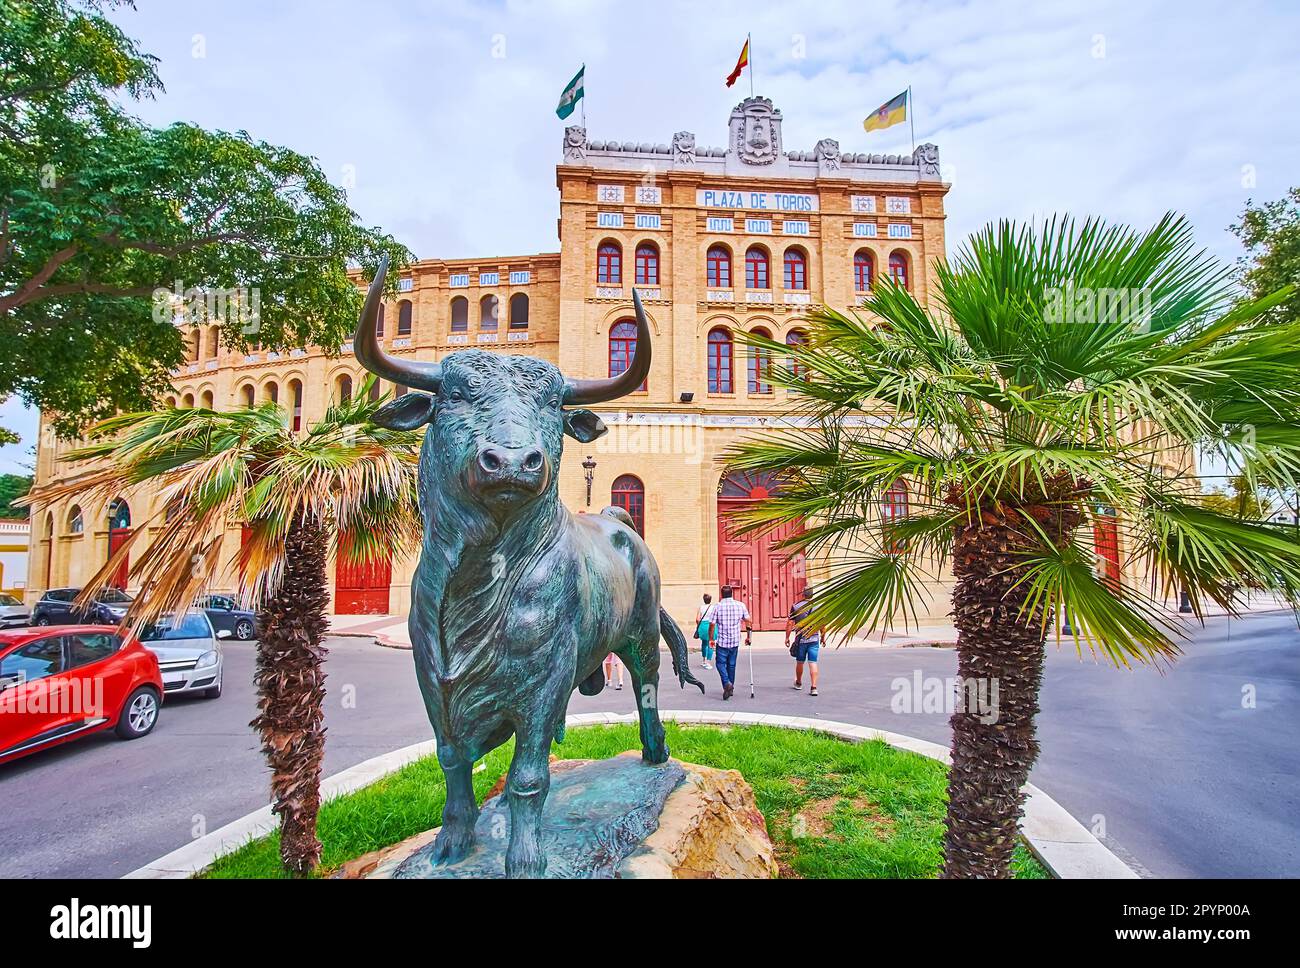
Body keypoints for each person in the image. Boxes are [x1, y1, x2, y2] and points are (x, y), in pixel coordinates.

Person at [709, 584, 751, 700]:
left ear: (721, 594)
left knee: (720, 664)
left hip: (722, 642)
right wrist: (749, 636)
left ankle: (727, 683)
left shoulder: (717, 607)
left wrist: (711, 638)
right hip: (735, 641)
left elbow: (712, 624)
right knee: (731, 665)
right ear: (732, 593)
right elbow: (748, 621)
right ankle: (730, 686)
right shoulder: (740, 605)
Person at [786, 585, 824, 697]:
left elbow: (789, 623)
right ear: (812, 594)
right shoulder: (819, 606)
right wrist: (823, 636)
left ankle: (798, 682)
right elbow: (822, 623)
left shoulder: (796, 606)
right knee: (813, 662)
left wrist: (787, 637)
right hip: (814, 638)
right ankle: (814, 687)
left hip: (801, 639)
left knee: (800, 661)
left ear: (803, 594)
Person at [694, 593, 715, 670]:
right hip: (710, 625)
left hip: (702, 625)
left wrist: (699, 625)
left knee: (704, 643)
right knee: (711, 642)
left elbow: (697, 619)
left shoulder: (701, 607)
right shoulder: (713, 607)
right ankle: (708, 662)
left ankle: (703, 660)